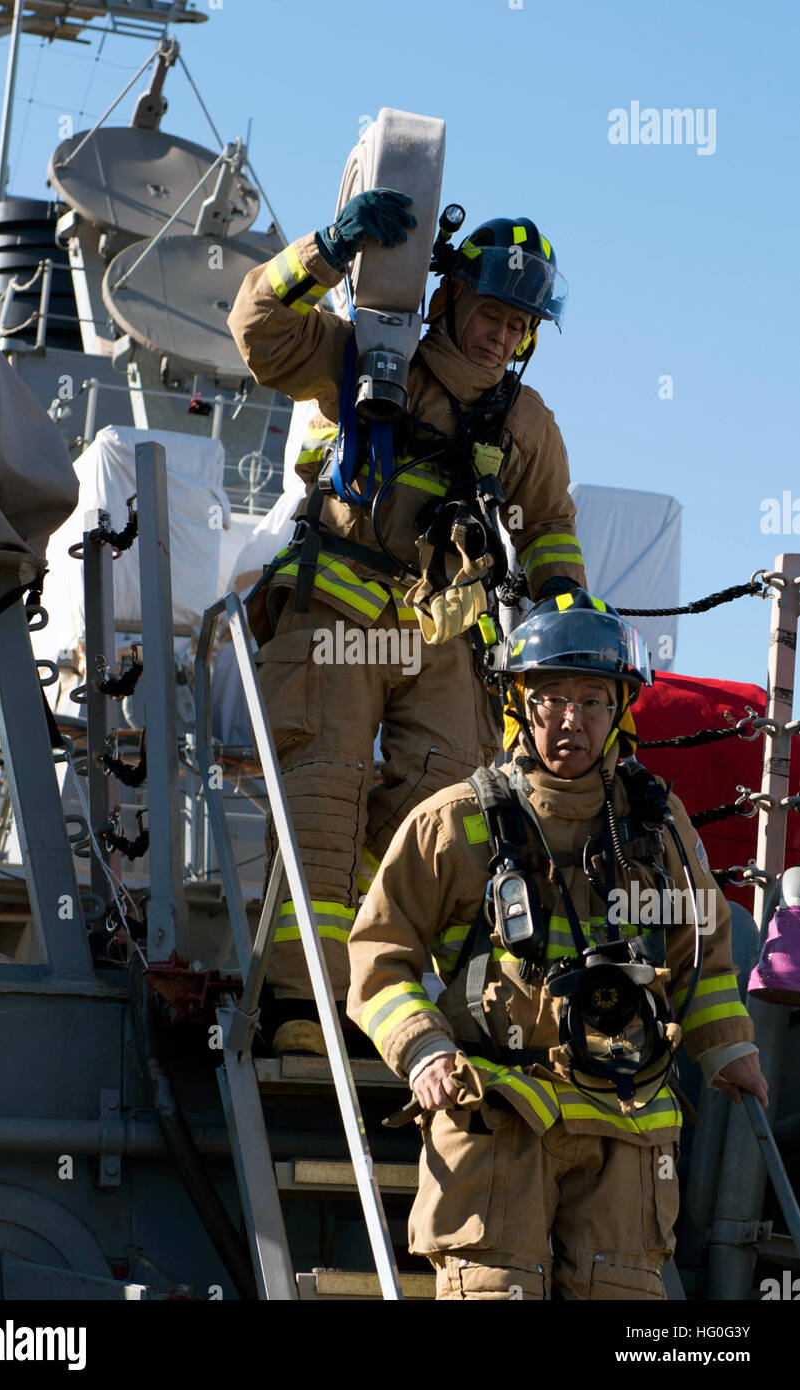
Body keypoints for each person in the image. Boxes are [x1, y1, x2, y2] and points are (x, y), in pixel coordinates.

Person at [230, 190, 587, 1055]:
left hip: (440, 636)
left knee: (447, 813)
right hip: (337, 622)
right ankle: (298, 1006)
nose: (499, 335)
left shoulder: (526, 423)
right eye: (488, 313)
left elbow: (549, 529)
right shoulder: (363, 354)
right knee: (325, 795)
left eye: (517, 323)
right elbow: (260, 326)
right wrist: (330, 246)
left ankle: (373, 994)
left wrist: (568, 617)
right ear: (448, 301)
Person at [347, 592, 767, 1300]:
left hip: (625, 1127)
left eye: (592, 699)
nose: (570, 718)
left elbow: (705, 961)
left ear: (618, 712)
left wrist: (730, 1050)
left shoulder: (661, 831)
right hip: (496, 1114)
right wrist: (422, 1049)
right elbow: (379, 953)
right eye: (548, 698)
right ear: (518, 705)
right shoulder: (452, 824)